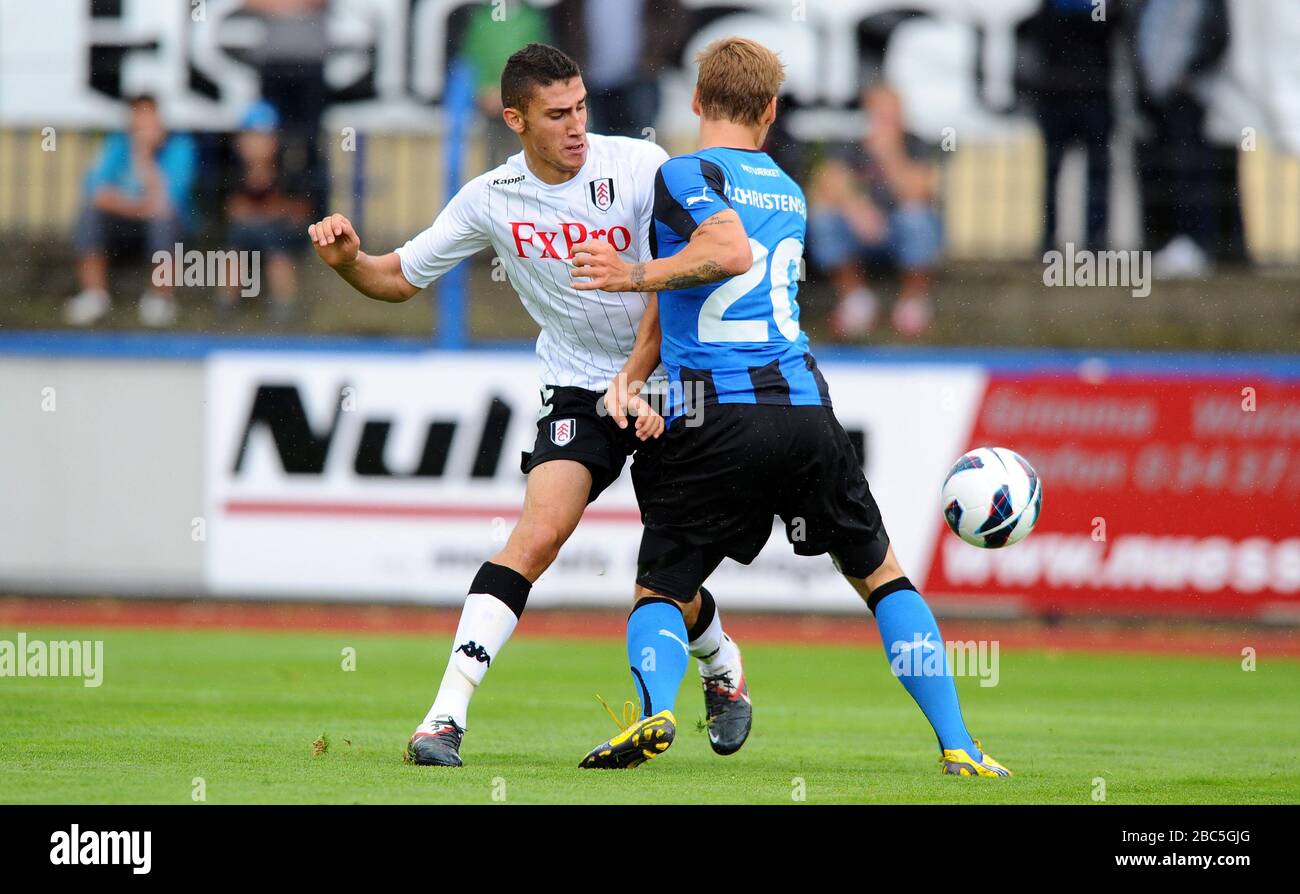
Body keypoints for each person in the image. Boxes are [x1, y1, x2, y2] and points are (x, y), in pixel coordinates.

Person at [569, 37, 1009, 777]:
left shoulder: (685, 173)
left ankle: (655, 711)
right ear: (770, 113)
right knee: (881, 575)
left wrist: (627, 275)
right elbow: (697, 283)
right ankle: (959, 743)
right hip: (805, 409)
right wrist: (635, 368)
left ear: (695, 101)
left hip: (714, 416)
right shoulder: (786, 186)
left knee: (663, 586)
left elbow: (726, 255)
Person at [306, 44, 752, 768]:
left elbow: (688, 276)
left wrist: (638, 377)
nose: (577, 126)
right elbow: (396, 278)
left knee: (666, 580)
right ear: (515, 119)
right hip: (578, 384)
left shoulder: (641, 167)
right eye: (556, 115)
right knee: (536, 538)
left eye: (581, 108)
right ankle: (443, 719)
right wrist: (350, 260)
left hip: (669, 381)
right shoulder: (490, 198)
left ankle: (722, 670)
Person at [807, 84, 942, 339]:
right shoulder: (850, 145)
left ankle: (913, 302)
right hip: (860, 231)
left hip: (899, 232)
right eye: (880, 114)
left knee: (917, 217)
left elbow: (919, 192)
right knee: (823, 218)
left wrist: (890, 155)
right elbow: (828, 183)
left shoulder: (915, 145)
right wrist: (856, 208)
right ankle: (855, 298)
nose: (886, 121)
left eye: (892, 114)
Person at [63, 94, 197, 328]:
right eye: (139, 119)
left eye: (149, 119)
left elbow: (166, 203)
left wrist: (145, 159)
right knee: (89, 215)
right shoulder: (117, 143)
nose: (143, 127)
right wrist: (139, 208)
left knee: (163, 221)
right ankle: (94, 296)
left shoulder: (180, 146)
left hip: (162, 226)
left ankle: (160, 299)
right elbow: (95, 193)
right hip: (126, 220)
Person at [223, 100, 311, 322]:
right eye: (252, 138)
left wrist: (270, 210)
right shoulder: (231, 173)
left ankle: (284, 309)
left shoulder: (290, 171)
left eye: (263, 138)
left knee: (275, 245)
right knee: (235, 248)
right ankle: (226, 308)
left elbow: (302, 211)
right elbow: (231, 211)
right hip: (245, 235)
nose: (257, 144)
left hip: (280, 236)